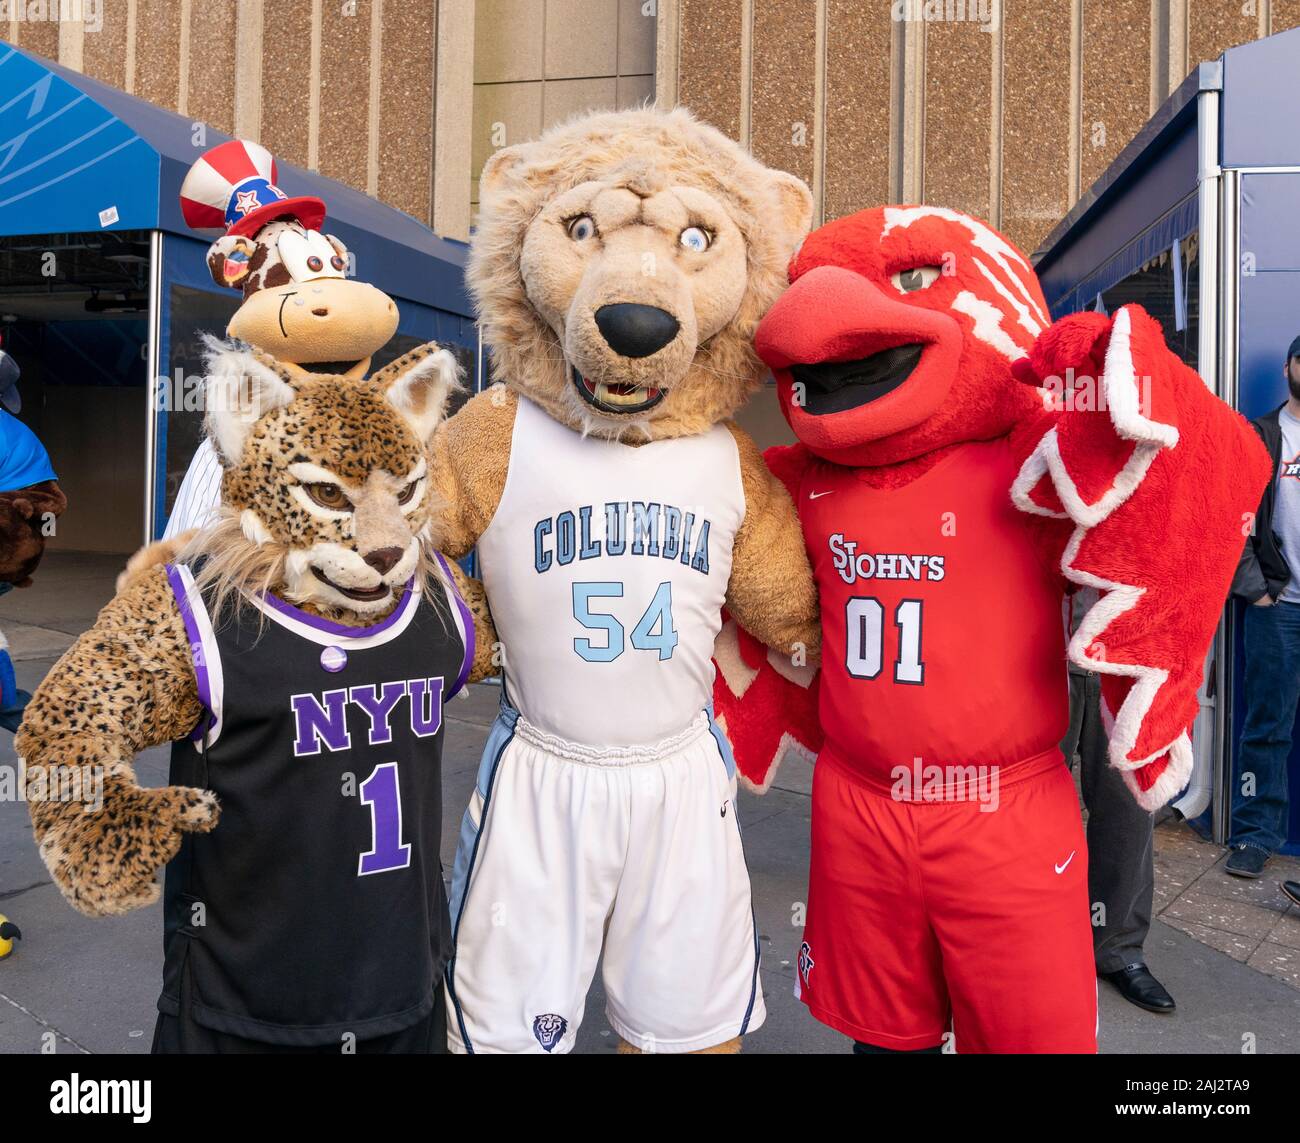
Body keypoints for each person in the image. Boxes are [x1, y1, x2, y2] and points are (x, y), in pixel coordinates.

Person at [1061, 589, 1175, 1014]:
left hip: (1132, 660)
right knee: (1024, 808)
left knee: (1129, 809)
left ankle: (1119, 950)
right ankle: (1020, 942)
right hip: (1041, 653)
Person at [1228, 335, 1300, 877]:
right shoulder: (1260, 435)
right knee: (1268, 725)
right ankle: (1256, 835)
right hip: (1279, 608)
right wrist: (1255, 588)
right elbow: (1228, 521)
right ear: (1288, 366)